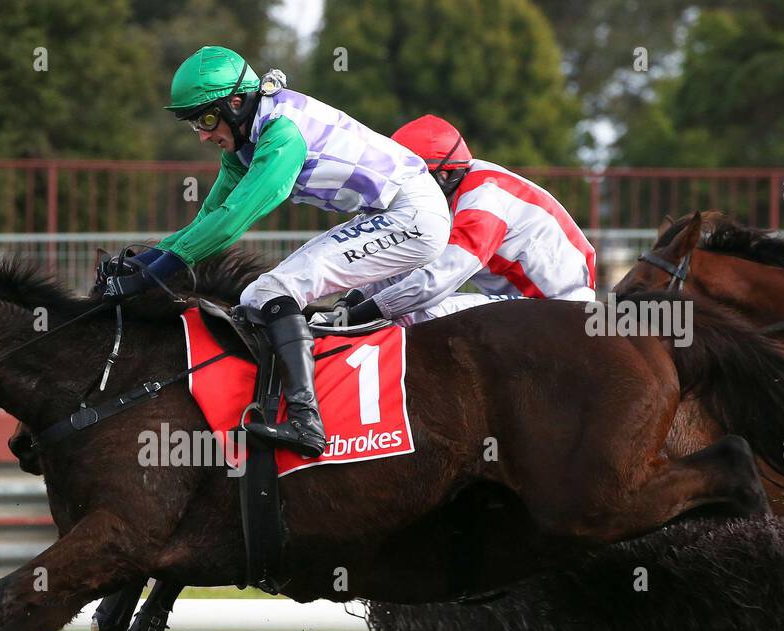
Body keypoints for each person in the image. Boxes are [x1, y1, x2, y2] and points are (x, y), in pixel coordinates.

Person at [101, 46, 449, 457]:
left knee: (271, 293)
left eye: (207, 119)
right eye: (194, 122)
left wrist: (156, 273)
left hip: (411, 215)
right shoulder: (244, 140)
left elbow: (234, 221)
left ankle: (307, 424)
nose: (202, 134)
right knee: (259, 295)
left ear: (236, 103)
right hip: (388, 211)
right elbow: (210, 216)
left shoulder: (282, 132)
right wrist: (150, 261)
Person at [340, 115, 597, 327]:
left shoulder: (483, 198)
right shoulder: (452, 189)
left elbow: (437, 280)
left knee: (411, 314)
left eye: (409, 178)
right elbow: (403, 260)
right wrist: (354, 298)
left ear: (444, 175)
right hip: (525, 301)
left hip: (558, 309)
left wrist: (365, 311)